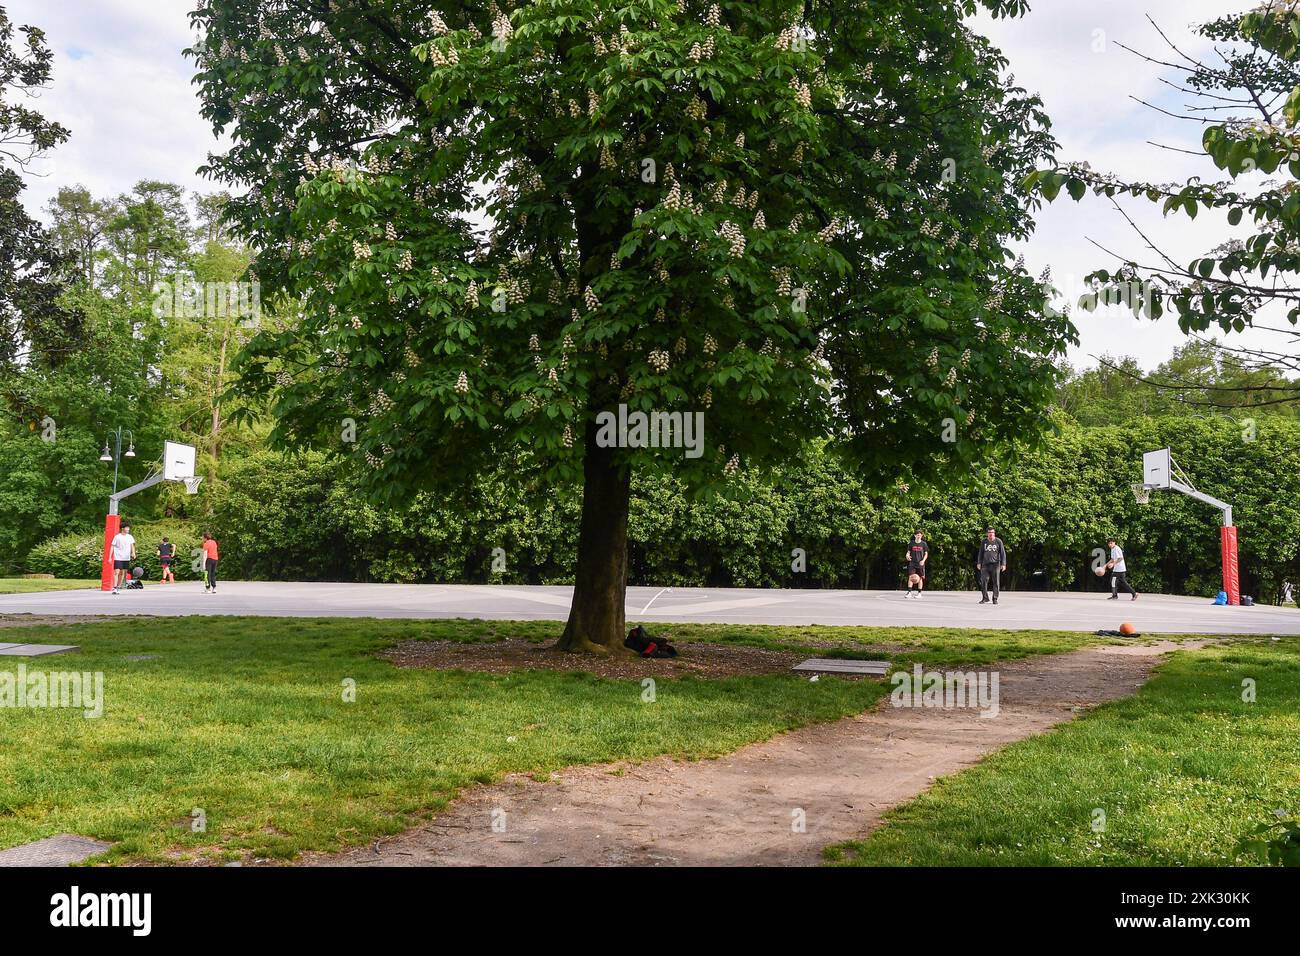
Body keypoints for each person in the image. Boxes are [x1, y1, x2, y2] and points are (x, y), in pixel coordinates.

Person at [976, 527, 1006, 605]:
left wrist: (1003, 564)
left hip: (996, 564)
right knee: (983, 581)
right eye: (989, 533)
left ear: (994, 533)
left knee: (996, 582)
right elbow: (980, 553)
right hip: (985, 564)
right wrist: (979, 563)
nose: (991, 534)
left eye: (992, 532)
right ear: (987, 534)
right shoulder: (984, 542)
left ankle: (995, 598)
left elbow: (1002, 553)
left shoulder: (998, 541)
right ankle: (985, 598)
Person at [110, 523, 136, 595]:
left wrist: (133, 553)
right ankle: (114, 587)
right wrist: (110, 557)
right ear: (122, 528)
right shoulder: (117, 537)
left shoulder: (130, 537)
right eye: (127, 528)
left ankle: (118, 587)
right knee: (116, 572)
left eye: (128, 528)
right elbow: (112, 546)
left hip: (126, 557)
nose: (128, 529)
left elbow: (132, 545)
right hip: (118, 557)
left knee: (122, 573)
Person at [905, 531, 929, 598]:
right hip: (912, 563)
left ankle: (919, 593)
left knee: (920, 578)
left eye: (920, 535)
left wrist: (923, 561)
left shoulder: (924, 544)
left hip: (920, 563)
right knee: (911, 577)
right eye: (917, 535)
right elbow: (908, 552)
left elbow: (926, 554)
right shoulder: (911, 543)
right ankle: (909, 592)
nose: (919, 536)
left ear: (921, 536)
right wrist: (907, 556)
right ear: (915, 535)